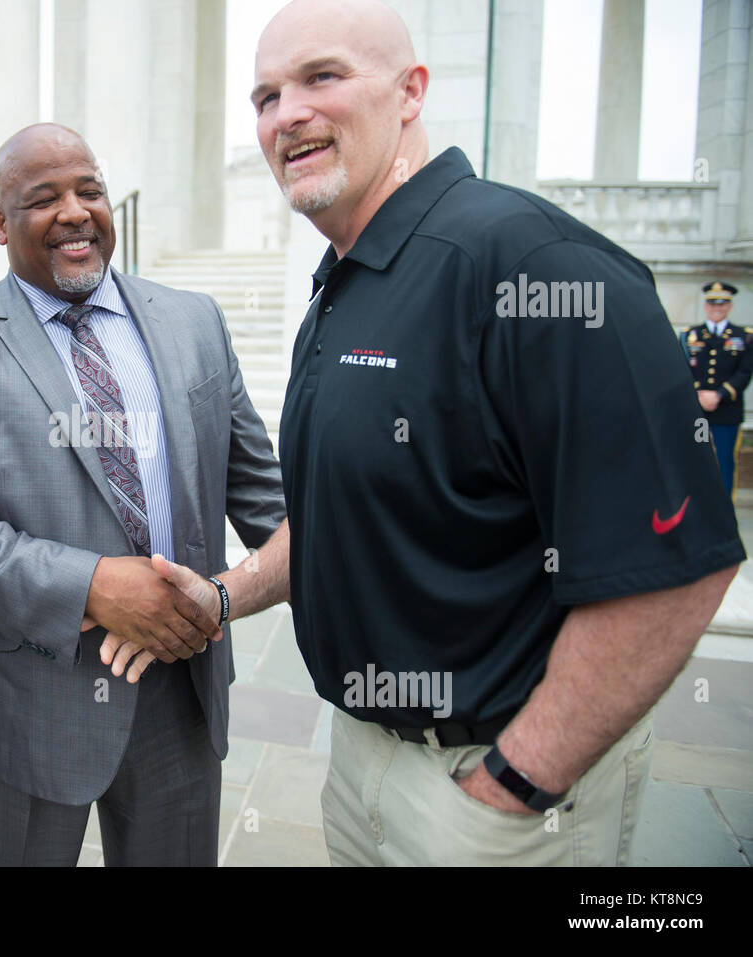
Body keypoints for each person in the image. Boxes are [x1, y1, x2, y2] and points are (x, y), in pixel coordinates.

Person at [110, 0, 744, 866]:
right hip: (361, 760)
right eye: (264, 96)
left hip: (497, 798)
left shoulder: (537, 268)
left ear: (411, 92)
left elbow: (675, 571)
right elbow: (350, 517)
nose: (285, 112)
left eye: (321, 76)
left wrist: (515, 784)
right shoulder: (346, 283)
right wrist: (226, 596)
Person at [0, 123, 286, 866]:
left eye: (89, 190)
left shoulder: (196, 322)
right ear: (0, 224)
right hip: (19, 700)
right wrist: (94, 586)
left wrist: (219, 597)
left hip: (179, 693)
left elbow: (272, 507)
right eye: (43, 198)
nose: (74, 211)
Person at [681, 282, 752, 499]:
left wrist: (719, 394)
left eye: (722, 304)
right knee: (698, 458)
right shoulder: (690, 335)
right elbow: (682, 368)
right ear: (706, 306)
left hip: (726, 413)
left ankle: (724, 513)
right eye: (712, 304)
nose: (717, 309)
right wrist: (699, 395)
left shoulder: (744, 336)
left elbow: (745, 372)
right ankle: (698, 507)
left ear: (729, 306)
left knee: (724, 461)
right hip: (699, 413)